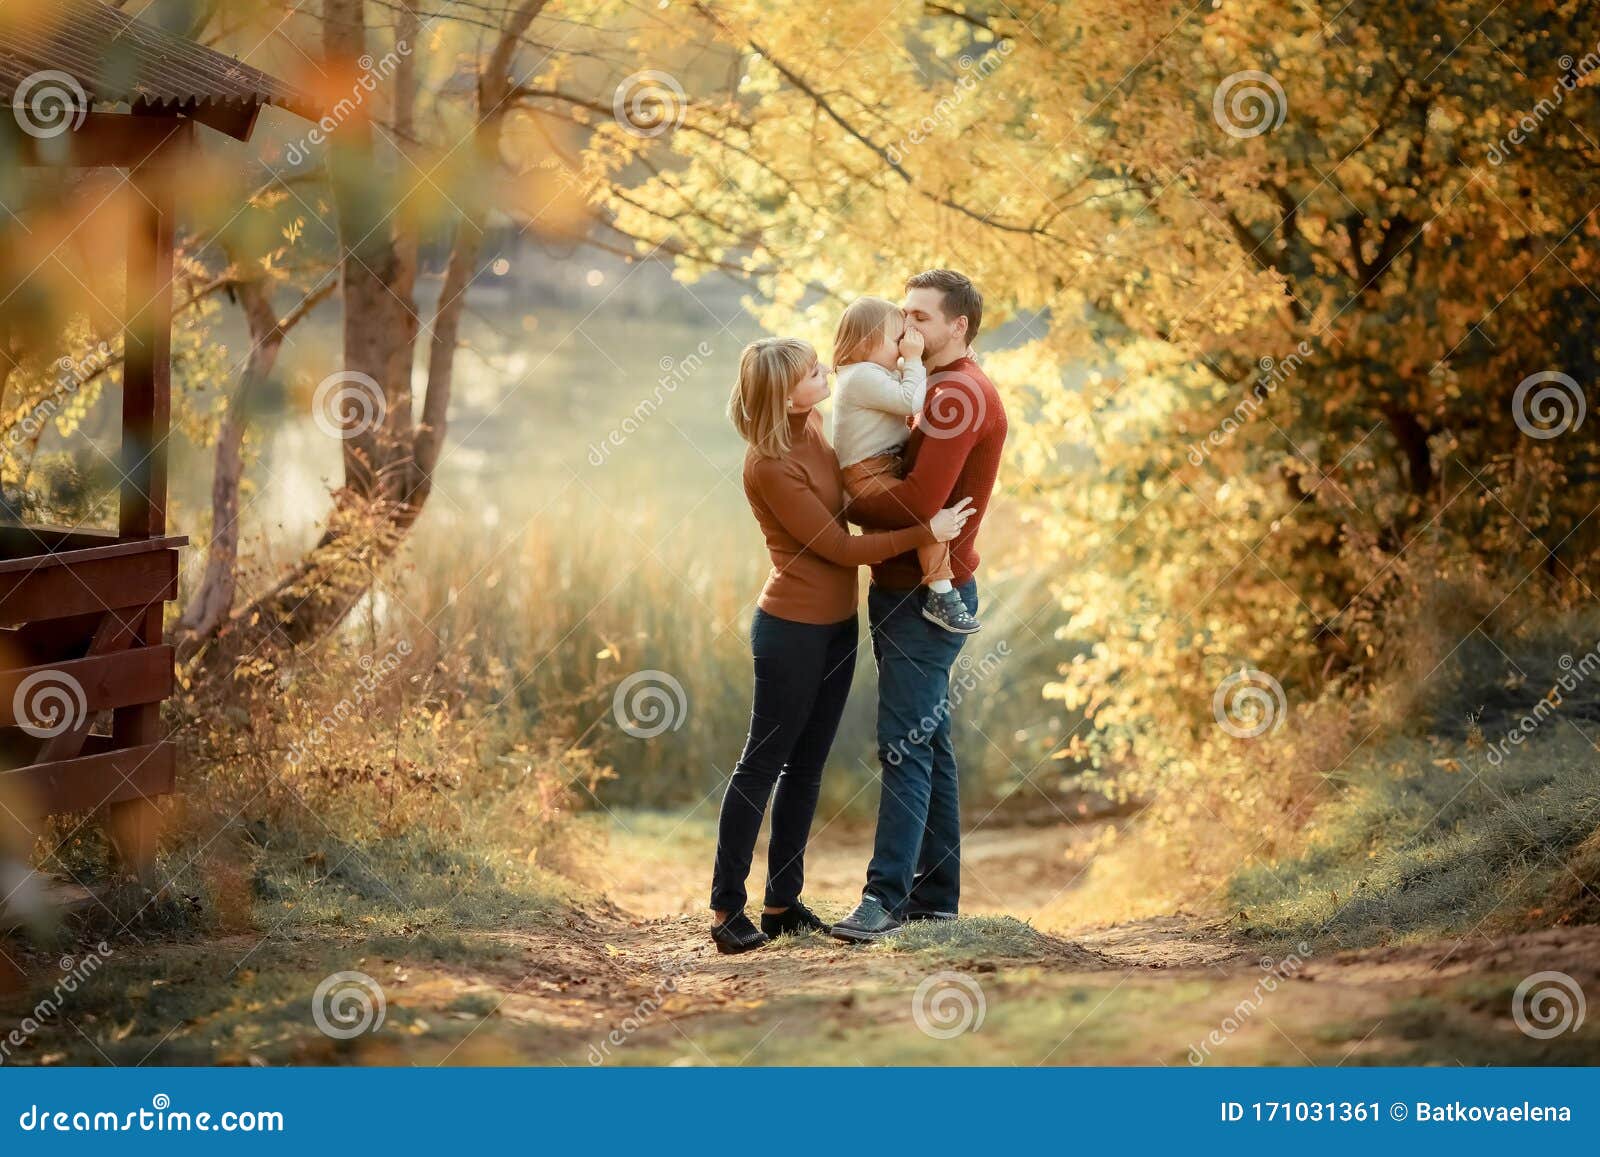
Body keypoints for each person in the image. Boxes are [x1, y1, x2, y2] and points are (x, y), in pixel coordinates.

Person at [708, 336, 975, 954]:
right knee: (760, 766)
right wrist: (923, 531)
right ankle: (726, 909)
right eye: (807, 372)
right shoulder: (769, 464)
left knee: (806, 768)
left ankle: (781, 903)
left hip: (835, 628)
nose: (822, 371)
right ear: (782, 391)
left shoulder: (817, 426)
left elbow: (856, 499)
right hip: (791, 631)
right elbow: (838, 547)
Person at [829, 270, 1008, 943]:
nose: (908, 329)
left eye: (921, 318)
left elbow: (916, 503)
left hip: (921, 597)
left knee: (904, 744)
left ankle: (884, 899)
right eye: (902, 315)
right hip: (915, 584)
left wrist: (842, 506)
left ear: (957, 326)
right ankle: (934, 900)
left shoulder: (957, 392)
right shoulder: (952, 386)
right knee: (927, 741)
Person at [830, 296, 981, 635]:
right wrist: (914, 358)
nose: (904, 346)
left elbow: (912, 383)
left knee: (916, 510)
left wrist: (951, 361)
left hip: (881, 466)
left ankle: (923, 585)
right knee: (922, 511)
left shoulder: (870, 371)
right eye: (898, 338)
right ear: (869, 341)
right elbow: (912, 399)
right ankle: (940, 593)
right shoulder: (860, 378)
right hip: (867, 473)